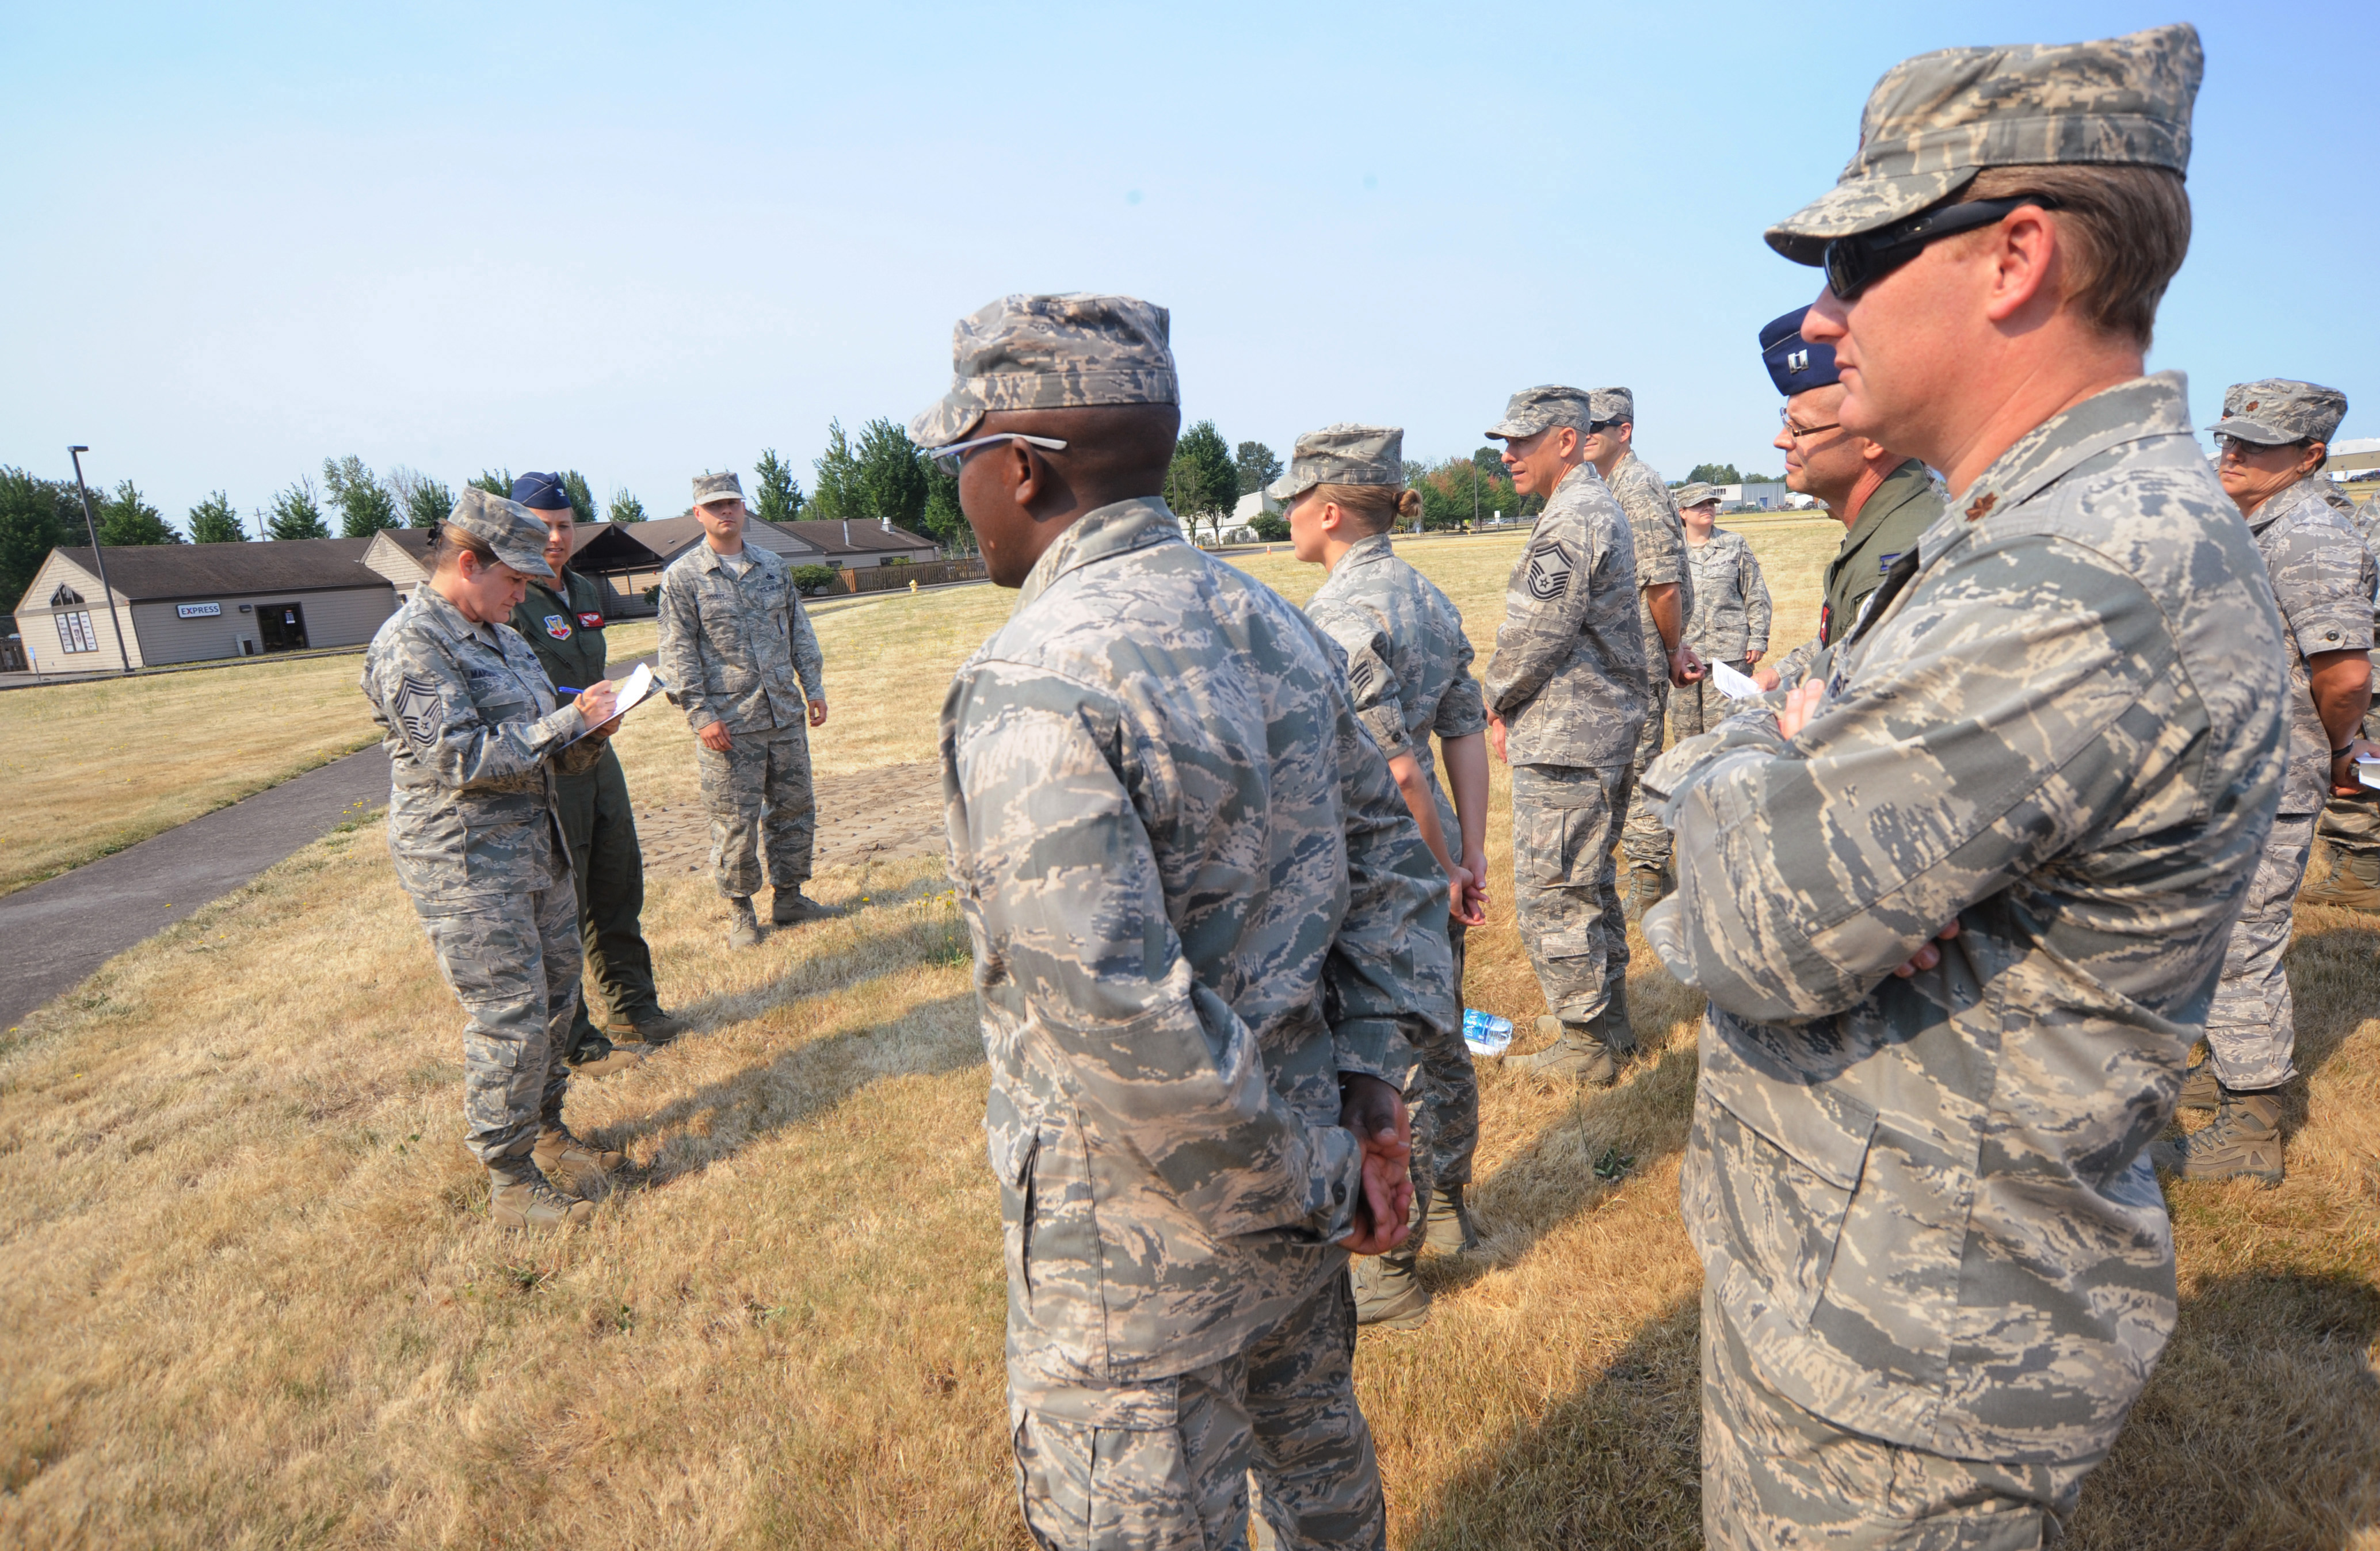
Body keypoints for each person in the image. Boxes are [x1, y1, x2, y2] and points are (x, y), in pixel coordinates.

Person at [1640, 25, 2286, 1546]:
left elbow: (1746, 923)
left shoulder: (2083, 572)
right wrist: (1800, 765)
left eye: (1860, 258)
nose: (1825, 312)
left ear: (2014, 258)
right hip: (1888, 1303)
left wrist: (1749, 753)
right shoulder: (2030, 538)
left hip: (1910, 1356)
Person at [919, 292, 1454, 1551]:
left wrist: (1327, 1164)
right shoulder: (1277, 625)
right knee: (1328, 1507)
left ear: (1024, 467)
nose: (963, 496)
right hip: (1301, 1203)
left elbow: (1121, 1018)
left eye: (963, 465)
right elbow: (1396, 874)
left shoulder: (1036, 679)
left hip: (1137, 1266)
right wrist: (1369, 1088)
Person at [361, 490, 629, 1230]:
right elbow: (460, 756)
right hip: (467, 866)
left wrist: (592, 731)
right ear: (468, 563)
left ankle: (547, 1134)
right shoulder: (410, 645)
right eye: (513, 579)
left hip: (535, 850)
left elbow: (544, 752)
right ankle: (510, 1180)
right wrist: (563, 722)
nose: (524, 592)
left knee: (556, 1002)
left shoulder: (504, 635)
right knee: (508, 1015)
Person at [1275, 422, 1493, 1328]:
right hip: (1435, 858)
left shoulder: (1334, 618)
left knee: (1374, 1066)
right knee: (1440, 1040)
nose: (1286, 515)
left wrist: (1435, 868)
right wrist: (1469, 853)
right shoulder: (1428, 598)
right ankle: (1449, 1216)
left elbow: (1395, 766)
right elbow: (1464, 730)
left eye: (1293, 500)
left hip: (1375, 877)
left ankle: (1388, 1275)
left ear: (1329, 511)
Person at [2153, 381, 2371, 1185]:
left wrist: (2341, 750)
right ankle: (2230, 1070)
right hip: (2224, 767)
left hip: (2269, 775)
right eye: (2229, 439)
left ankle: (2251, 1126)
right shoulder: (2255, 520)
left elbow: (2345, 672)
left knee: (2243, 945)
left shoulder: (2310, 532)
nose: (2232, 454)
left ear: (2310, 457)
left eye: (2256, 445)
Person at [1481, 386, 1649, 1087]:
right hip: (1594, 729)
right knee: (1588, 881)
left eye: (1523, 440)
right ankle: (1603, 1020)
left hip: (1569, 734)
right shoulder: (1585, 506)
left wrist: (1493, 696)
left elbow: (1536, 631)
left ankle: (1584, 1045)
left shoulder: (1572, 516)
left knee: (1555, 888)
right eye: (1506, 442)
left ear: (1567, 440)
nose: (1508, 454)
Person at [506, 473, 689, 1069]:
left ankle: (634, 1008)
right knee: (565, 902)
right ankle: (577, 1039)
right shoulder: (511, 598)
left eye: (563, 525)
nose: (555, 538)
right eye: (543, 528)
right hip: (550, 767)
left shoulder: (583, 589)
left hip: (598, 755)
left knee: (617, 882)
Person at [656, 472, 839, 948]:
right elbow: (677, 653)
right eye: (715, 506)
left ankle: (791, 897)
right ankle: (742, 912)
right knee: (735, 819)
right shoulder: (684, 577)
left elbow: (799, 628)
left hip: (783, 711)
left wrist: (812, 685)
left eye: (733, 503)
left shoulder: (773, 566)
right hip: (729, 722)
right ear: (698, 514)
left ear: (743, 508)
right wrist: (700, 716)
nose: (726, 513)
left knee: (794, 808)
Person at [1749, 310, 1942, 692]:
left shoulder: (1900, 562)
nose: (1782, 440)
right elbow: (1845, 643)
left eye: (1799, 428)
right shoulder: (1879, 531)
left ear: (1873, 437)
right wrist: (1787, 675)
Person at [1582, 389, 1704, 918]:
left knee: (1639, 769)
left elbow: (1664, 585)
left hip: (1643, 657)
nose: (1586, 434)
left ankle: (1651, 877)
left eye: (1597, 425)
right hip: (1624, 654)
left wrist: (1675, 648)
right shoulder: (1609, 486)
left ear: (1624, 431)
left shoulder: (1637, 488)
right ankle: (1656, 869)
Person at [1669, 482, 1771, 741]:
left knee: (1726, 734)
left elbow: (1756, 593)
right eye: (1699, 504)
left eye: (1711, 503)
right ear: (1683, 512)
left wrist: (1759, 637)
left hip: (1729, 656)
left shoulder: (1734, 544)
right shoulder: (1671, 550)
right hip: (1684, 656)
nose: (1707, 508)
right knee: (1686, 737)